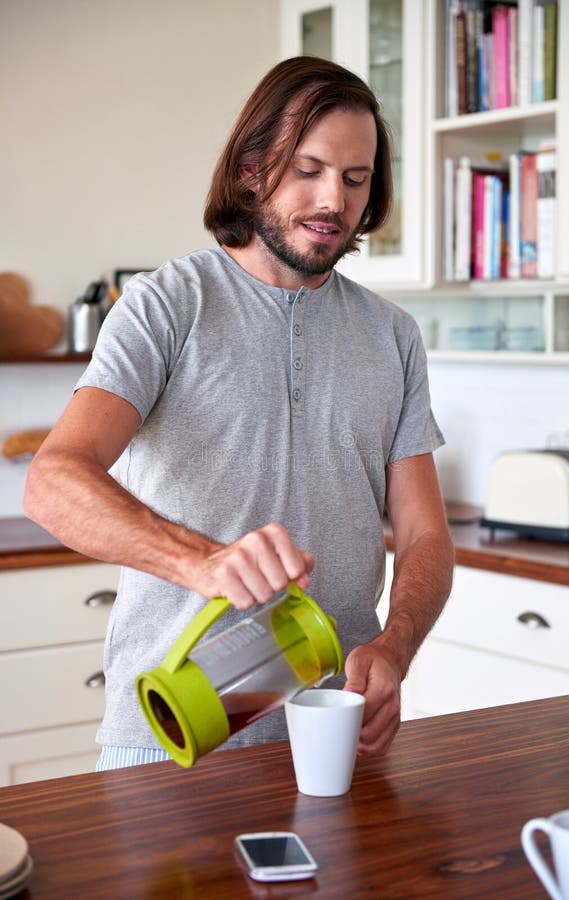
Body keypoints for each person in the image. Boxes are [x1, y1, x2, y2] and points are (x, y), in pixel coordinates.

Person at [24, 56, 454, 770]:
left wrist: (395, 646)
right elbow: (53, 481)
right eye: (308, 170)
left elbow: (424, 533)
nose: (333, 200)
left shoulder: (392, 335)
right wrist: (202, 561)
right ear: (253, 170)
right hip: (170, 732)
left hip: (332, 728)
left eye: (356, 178)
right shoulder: (166, 305)